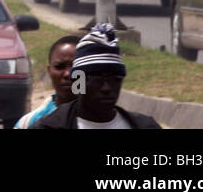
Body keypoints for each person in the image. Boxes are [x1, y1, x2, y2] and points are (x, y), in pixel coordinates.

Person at [30, 23, 159, 129]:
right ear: (78, 82)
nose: (107, 88)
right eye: (97, 79)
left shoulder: (145, 126)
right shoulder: (47, 127)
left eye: (115, 79)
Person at [15, 35, 79, 128]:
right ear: (49, 71)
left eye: (76, 67)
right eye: (59, 67)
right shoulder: (28, 123)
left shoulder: (103, 118)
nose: (67, 74)